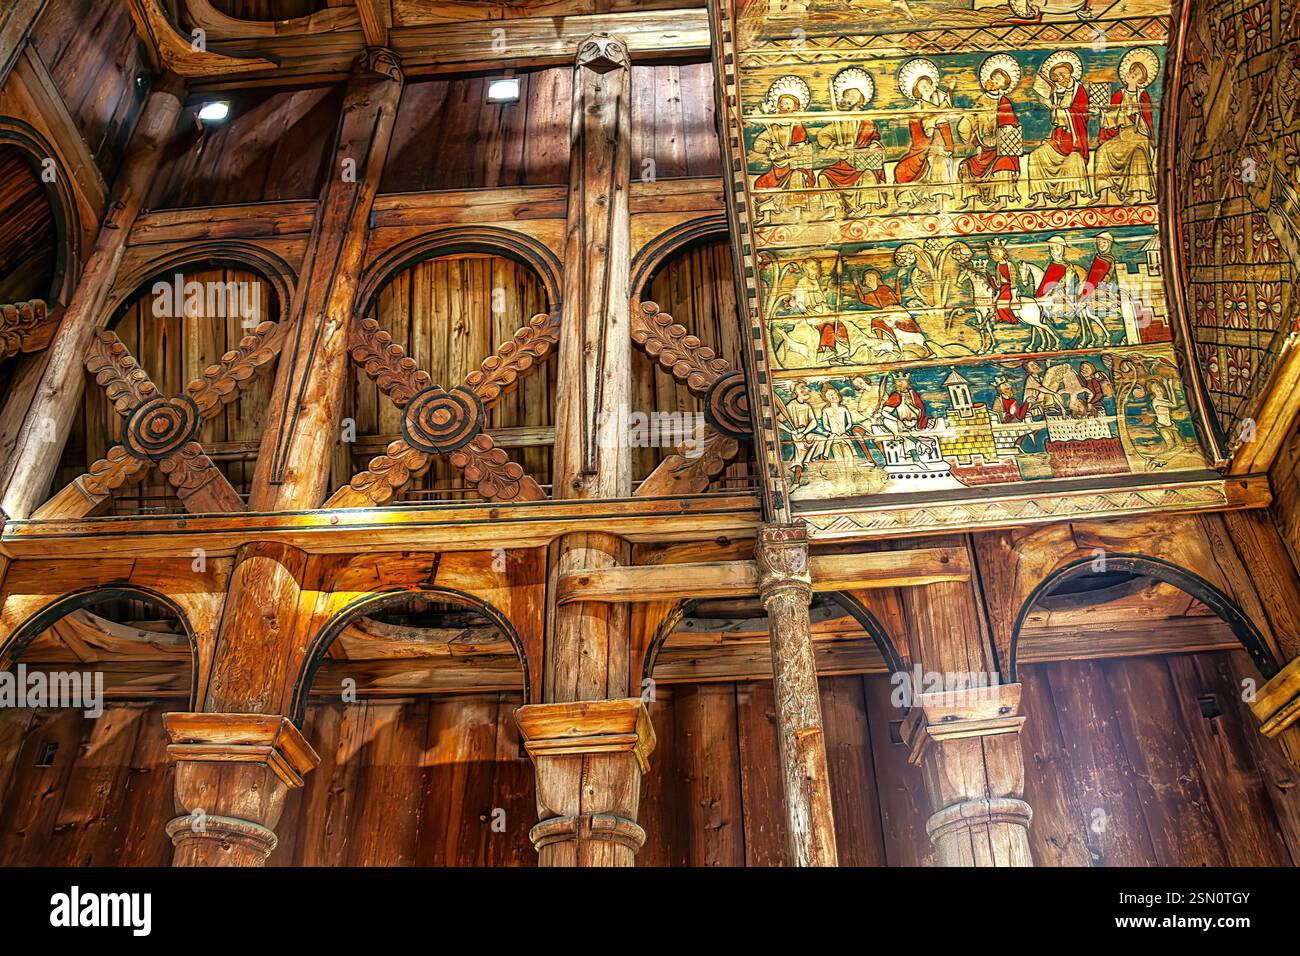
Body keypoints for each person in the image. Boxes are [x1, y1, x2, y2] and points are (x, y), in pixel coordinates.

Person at [817, 69, 887, 213]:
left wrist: (872, 148)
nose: (849, 97)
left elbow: (875, 140)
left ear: (860, 99)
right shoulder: (840, 122)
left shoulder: (868, 122)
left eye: (853, 95)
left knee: (868, 174)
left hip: (862, 163)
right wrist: (835, 146)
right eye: (846, 95)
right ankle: (835, 207)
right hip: (845, 164)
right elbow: (822, 135)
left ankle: (868, 208)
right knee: (823, 176)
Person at [750, 79, 818, 224]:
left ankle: (797, 214)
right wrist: (770, 149)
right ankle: (766, 217)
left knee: (797, 177)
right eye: (782, 103)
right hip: (778, 168)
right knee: (761, 183)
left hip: (795, 165)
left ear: (795, 107)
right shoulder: (773, 126)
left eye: (787, 103)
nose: (783, 106)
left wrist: (785, 154)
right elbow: (759, 143)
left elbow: (801, 148)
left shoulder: (796, 126)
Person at [1027, 57, 1091, 205]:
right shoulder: (1056, 92)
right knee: (1036, 155)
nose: (1060, 78)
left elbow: (1081, 115)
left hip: (1075, 140)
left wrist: (1060, 112)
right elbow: (1055, 121)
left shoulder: (1078, 90)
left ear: (1071, 72)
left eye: (1063, 74)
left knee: (1074, 160)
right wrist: (1051, 107)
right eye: (1057, 76)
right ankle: (1040, 198)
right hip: (1059, 139)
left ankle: (1072, 198)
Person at [959, 63, 1023, 209]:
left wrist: (1003, 132)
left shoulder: (1004, 102)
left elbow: (1011, 126)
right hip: (984, 146)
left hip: (1001, 148)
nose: (993, 81)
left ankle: (1002, 202)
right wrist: (970, 137)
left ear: (1004, 85)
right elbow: (972, 121)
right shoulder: (981, 100)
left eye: (998, 80)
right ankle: (971, 203)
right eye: (993, 78)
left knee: (1004, 165)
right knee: (966, 165)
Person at [1094, 58, 1157, 204]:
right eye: (1132, 71)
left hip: (1138, 135)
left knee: (1138, 154)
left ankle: (1137, 195)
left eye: (1137, 73)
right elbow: (1112, 117)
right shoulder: (1119, 94)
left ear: (1142, 78)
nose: (1133, 74)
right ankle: (1104, 196)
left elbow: (1147, 121)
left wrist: (1133, 116)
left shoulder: (1142, 95)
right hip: (1121, 136)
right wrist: (1102, 113)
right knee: (1102, 151)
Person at [894, 66, 956, 209]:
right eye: (923, 86)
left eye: (928, 84)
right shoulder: (917, 108)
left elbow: (946, 110)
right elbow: (917, 132)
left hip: (940, 144)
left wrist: (950, 91)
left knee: (940, 163)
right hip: (923, 147)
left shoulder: (938, 103)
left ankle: (941, 205)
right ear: (918, 91)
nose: (927, 87)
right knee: (902, 169)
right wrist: (931, 123)